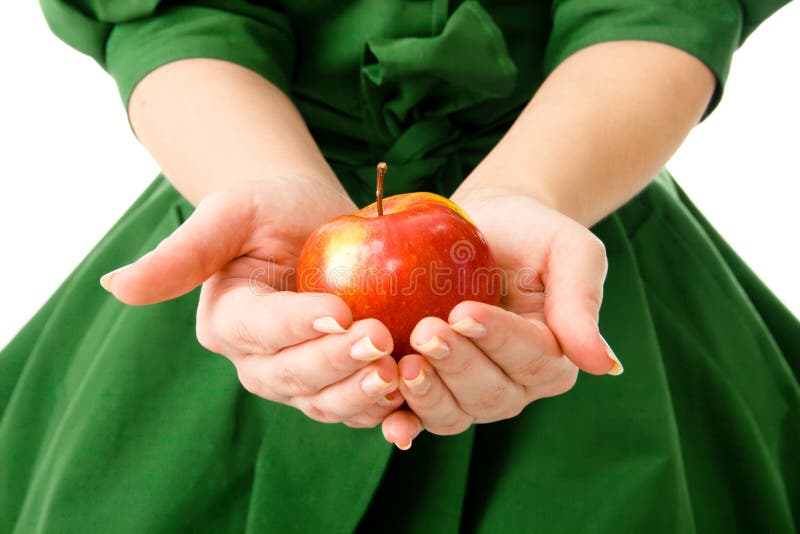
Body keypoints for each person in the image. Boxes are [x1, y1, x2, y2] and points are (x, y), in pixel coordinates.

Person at [2, 0, 798, 531]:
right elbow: (174, 12)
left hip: (564, 244)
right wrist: (254, 178)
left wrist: (531, 187)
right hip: (249, 230)